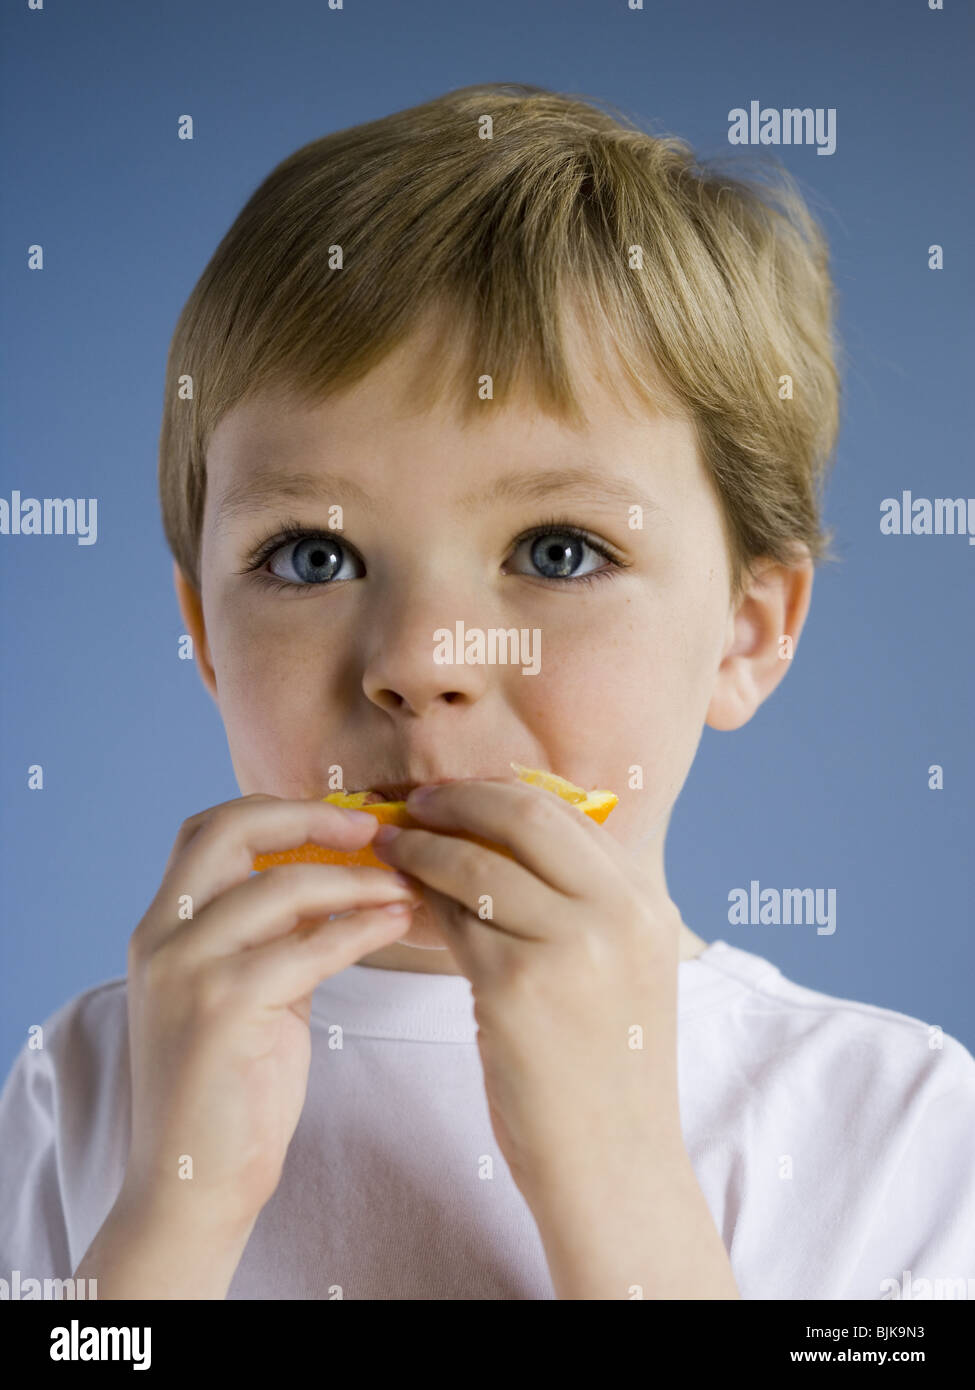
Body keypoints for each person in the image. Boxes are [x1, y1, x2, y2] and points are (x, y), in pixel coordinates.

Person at [1, 83, 972, 1301]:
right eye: (315, 555)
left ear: (747, 631)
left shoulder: (901, 1129)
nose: (421, 659)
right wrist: (167, 1226)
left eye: (558, 550)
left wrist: (616, 1182)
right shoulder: (82, 1087)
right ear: (202, 633)